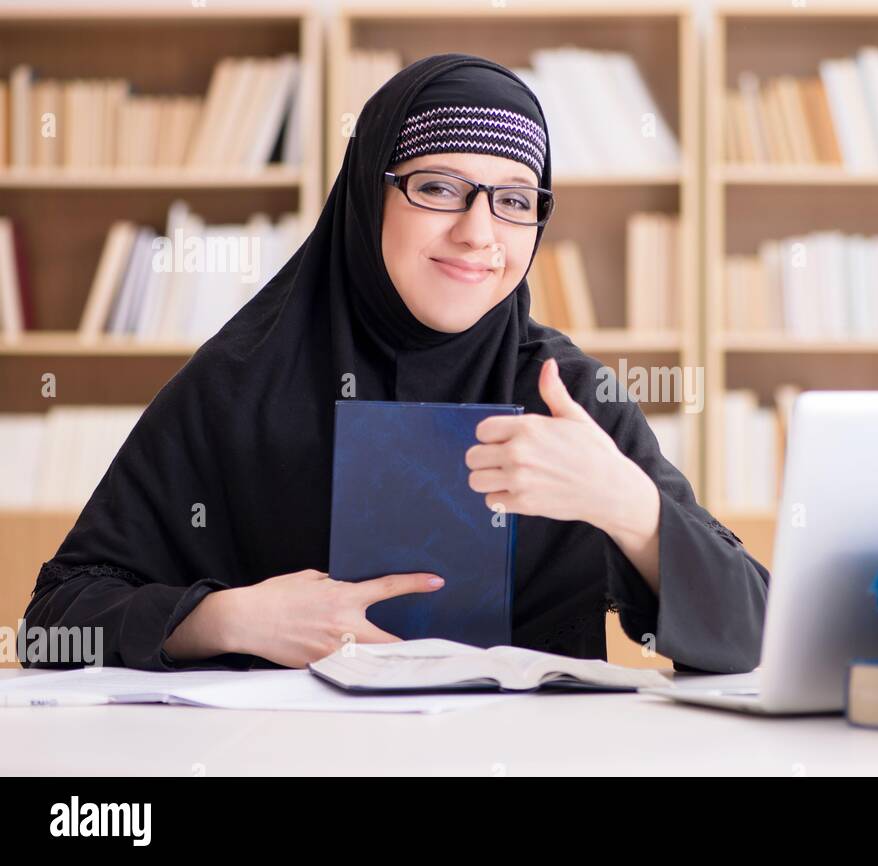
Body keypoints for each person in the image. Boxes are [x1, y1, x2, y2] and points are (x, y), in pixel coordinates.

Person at [23, 53, 768, 674]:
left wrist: (626, 503)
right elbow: (52, 624)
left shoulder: (568, 399)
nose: (480, 233)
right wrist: (231, 618)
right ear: (368, 195)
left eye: (514, 201)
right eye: (439, 188)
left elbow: (760, 638)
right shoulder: (237, 384)